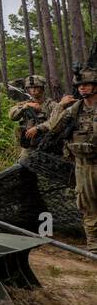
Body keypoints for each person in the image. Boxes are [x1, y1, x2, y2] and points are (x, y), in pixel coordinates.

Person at [29, 68, 97, 252]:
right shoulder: (75, 110)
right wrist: (61, 106)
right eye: (79, 85)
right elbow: (54, 127)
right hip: (84, 166)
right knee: (88, 207)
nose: (82, 88)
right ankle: (94, 249)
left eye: (86, 84)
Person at [9, 76, 62, 158]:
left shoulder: (52, 105)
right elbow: (12, 116)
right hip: (29, 147)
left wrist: (38, 128)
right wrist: (25, 107)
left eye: (36, 87)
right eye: (30, 88)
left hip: (48, 146)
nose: (33, 90)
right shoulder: (25, 104)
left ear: (42, 88)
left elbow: (56, 122)